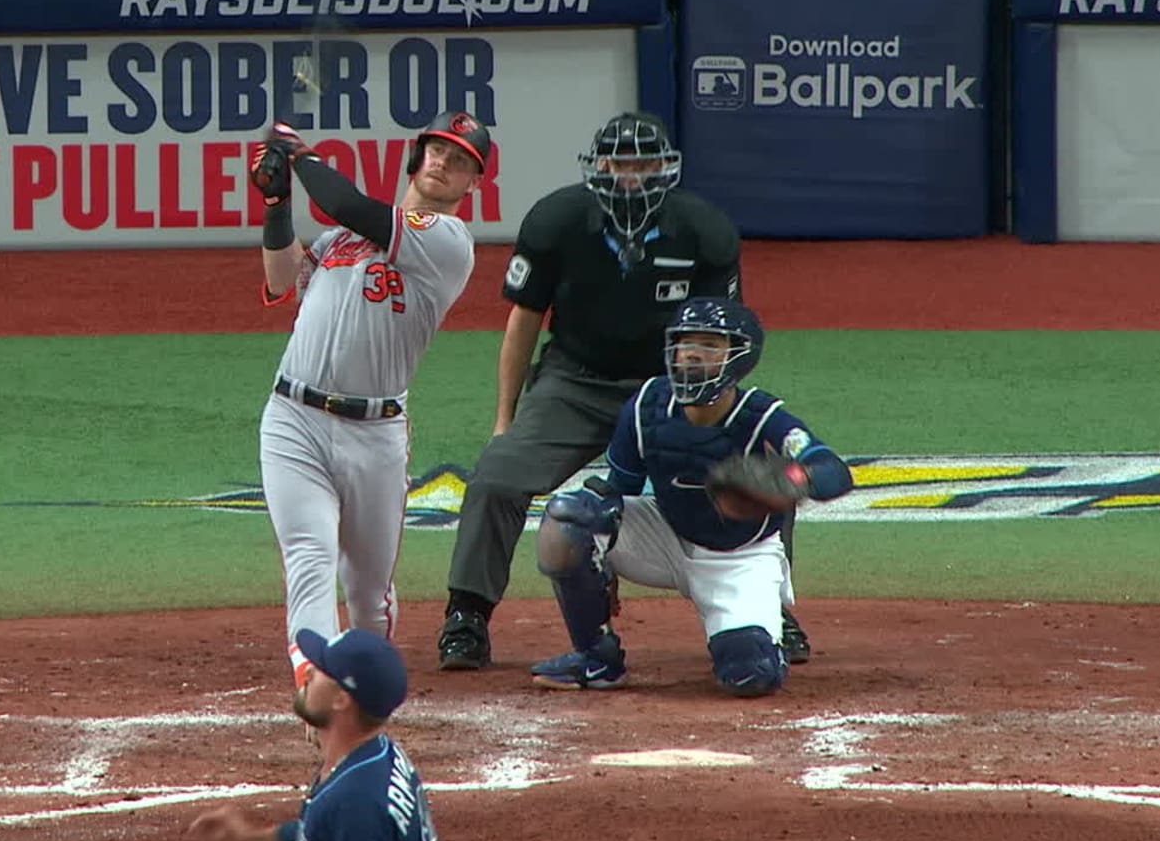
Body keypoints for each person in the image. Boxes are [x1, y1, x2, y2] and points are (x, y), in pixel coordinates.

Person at [436, 111, 813, 671]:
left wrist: (715, 411)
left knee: (753, 469)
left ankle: (772, 607)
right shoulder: (556, 220)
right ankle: (466, 613)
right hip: (575, 381)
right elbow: (524, 323)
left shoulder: (704, 230)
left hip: (673, 389)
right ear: (598, 167)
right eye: (619, 163)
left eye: (643, 164)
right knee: (496, 474)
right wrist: (504, 419)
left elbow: (721, 336)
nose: (630, 176)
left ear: (665, 169)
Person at [250, 111, 493, 691]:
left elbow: (348, 204)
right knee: (309, 555)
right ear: (417, 156)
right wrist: (278, 201)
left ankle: (367, 684)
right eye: (437, 150)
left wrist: (300, 155)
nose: (443, 163)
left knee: (367, 595)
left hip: (376, 435)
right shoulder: (338, 242)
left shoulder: (448, 242)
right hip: (293, 419)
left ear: (473, 184)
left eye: (460, 160)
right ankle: (315, 680)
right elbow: (282, 279)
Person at [526, 297, 854, 697]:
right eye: (686, 344)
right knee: (569, 519)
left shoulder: (760, 414)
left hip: (738, 557)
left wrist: (793, 478)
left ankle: (767, 640)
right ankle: (598, 660)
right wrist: (602, 561)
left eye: (710, 346)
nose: (693, 355)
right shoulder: (648, 405)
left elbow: (833, 470)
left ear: (738, 359)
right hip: (663, 533)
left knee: (750, 676)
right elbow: (617, 491)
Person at [187, 627, 444, 841]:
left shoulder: (353, 805)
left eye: (322, 668)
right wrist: (247, 839)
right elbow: (317, 832)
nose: (308, 670)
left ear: (341, 699)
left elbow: (338, 824)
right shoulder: (378, 755)